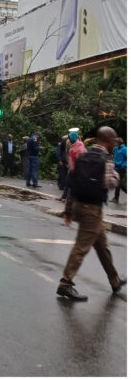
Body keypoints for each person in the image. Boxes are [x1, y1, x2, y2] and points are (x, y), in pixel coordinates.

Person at [57, 127, 126, 301]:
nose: (114, 144)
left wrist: (68, 210)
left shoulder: (83, 157)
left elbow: (72, 183)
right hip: (92, 210)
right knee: (81, 247)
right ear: (109, 141)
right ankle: (65, 283)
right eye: (113, 140)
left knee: (102, 245)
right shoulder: (106, 160)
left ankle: (114, 280)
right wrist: (116, 176)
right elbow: (109, 183)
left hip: (80, 206)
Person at [61, 129, 87, 201]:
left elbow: (81, 160)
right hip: (73, 168)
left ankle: (72, 199)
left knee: (72, 184)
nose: (69, 140)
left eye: (70, 138)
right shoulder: (75, 144)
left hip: (77, 169)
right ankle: (65, 197)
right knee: (68, 182)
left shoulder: (79, 148)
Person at [111, 137, 127, 203]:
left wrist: (123, 165)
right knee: (119, 183)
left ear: (119, 143)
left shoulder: (124, 149)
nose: (114, 144)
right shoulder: (116, 148)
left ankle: (116, 198)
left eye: (115, 143)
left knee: (118, 183)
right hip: (116, 168)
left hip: (122, 168)